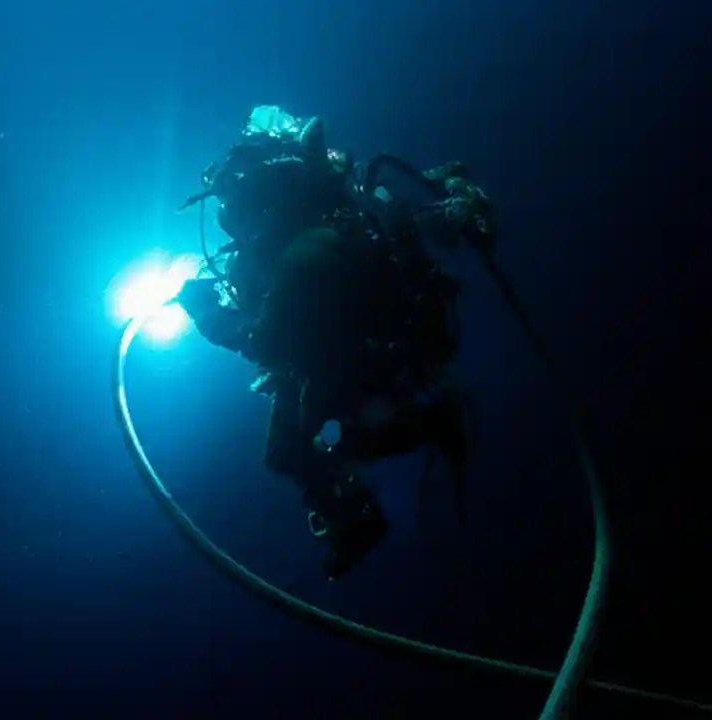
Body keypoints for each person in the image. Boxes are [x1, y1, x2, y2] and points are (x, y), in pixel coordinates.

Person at [177, 106, 487, 578]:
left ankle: (424, 431)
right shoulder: (316, 237)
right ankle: (357, 509)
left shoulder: (308, 250)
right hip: (352, 348)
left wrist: (207, 314)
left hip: (360, 354)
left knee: (305, 444)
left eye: (236, 204)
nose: (231, 221)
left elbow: (269, 342)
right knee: (290, 450)